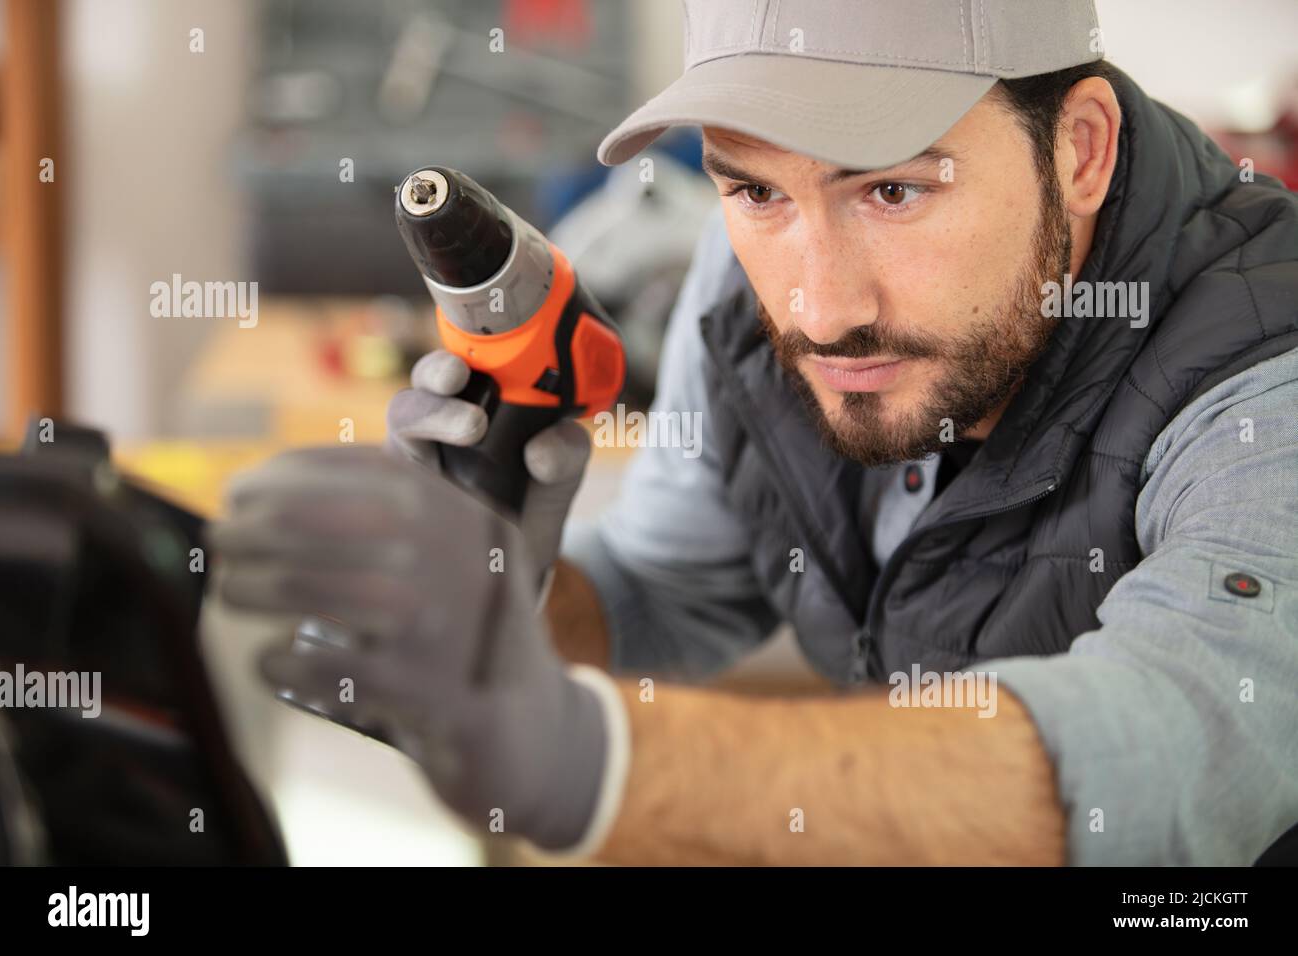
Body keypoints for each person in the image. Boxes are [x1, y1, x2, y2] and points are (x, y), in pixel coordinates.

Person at [213, 0, 1298, 865]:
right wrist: (511, 590)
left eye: (893, 190)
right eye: (755, 189)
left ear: (1081, 151)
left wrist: (593, 764)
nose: (819, 309)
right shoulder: (740, 297)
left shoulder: (1263, 372)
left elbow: (1170, 753)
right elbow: (669, 589)